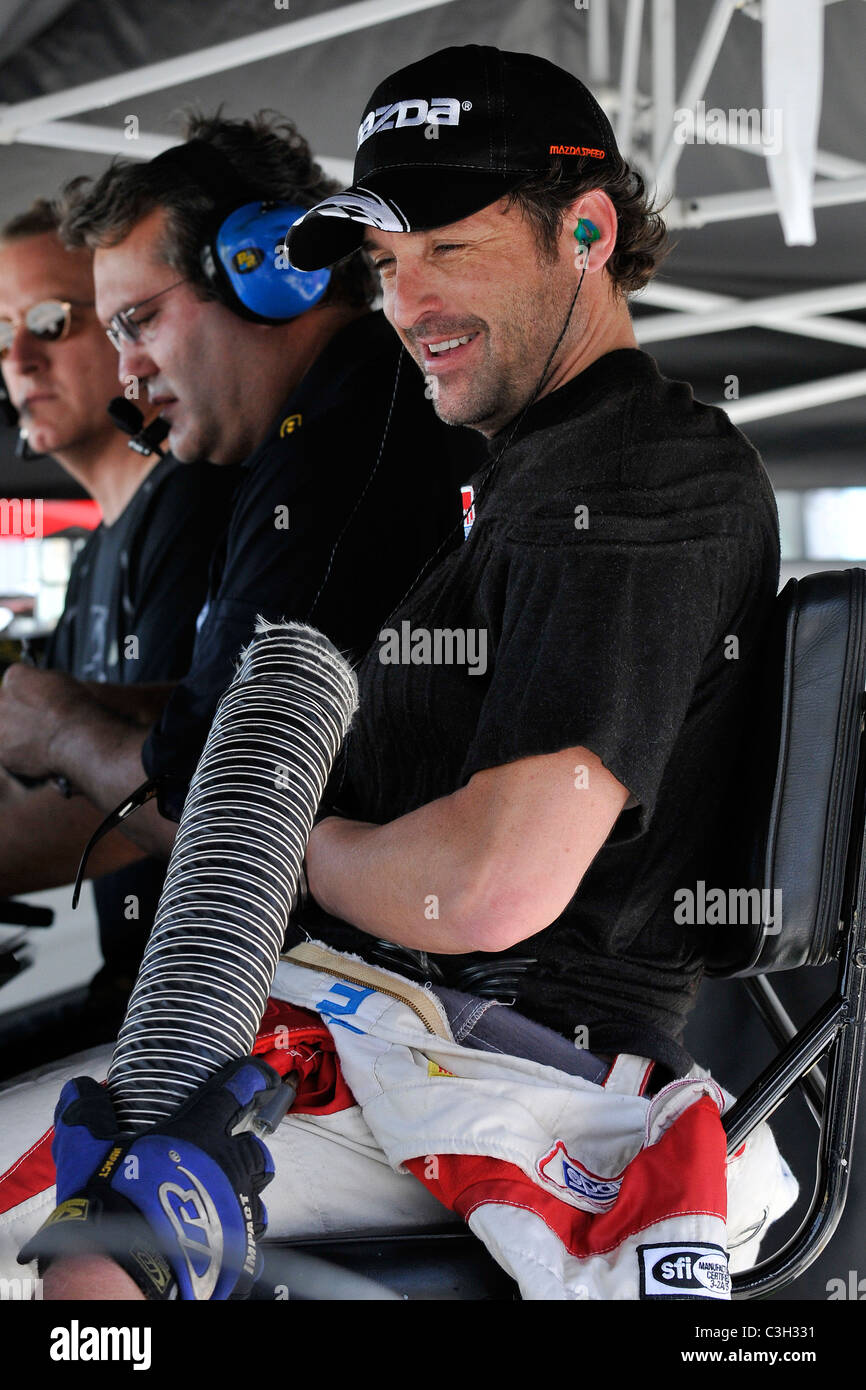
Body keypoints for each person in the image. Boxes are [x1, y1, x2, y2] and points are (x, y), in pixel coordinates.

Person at [0, 48, 787, 1301]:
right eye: (383, 264)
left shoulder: (633, 471)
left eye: (449, 248)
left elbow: (484, 887)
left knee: (67, 1256)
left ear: (582, 231)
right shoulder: (523, 472)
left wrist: (264, 831)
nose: (406, 301)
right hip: (378, 1038)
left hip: (495, 1073)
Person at [0, 111, 482, 859]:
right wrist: (90, 703)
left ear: (269, 273)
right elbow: (226, 710)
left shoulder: (328, 457)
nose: (127, 371)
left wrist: (64, 734)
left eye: (138, 321)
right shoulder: (341, 418)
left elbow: (214, 810)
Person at [0, 198, 237, 1049]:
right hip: (136, 991)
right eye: (0, 333)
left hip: (217, 1016)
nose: (17, 357)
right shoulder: (102, 549)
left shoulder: (196, 503)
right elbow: (41, 779)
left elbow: (173, 782)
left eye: (49, 320)